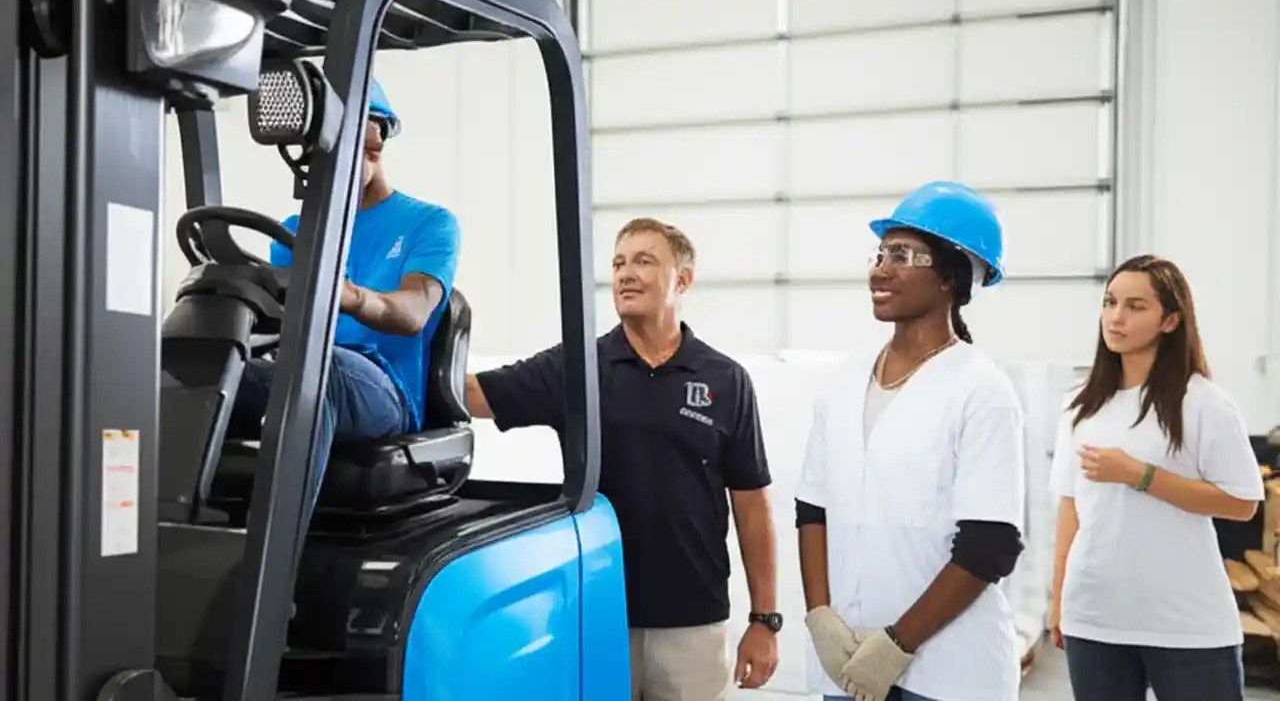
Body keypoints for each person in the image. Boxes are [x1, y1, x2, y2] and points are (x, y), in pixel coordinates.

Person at [463, 217, 781, 700]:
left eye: (644, 261)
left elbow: (752, 506)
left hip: (693, 624)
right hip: (598, 615)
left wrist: (765, 619)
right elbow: (473, 395)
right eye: (618, 263)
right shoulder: (577, 368)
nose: (626, 274)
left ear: (684, 279)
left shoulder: (725, 379)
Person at [794, 181, 1027, 701]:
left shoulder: (981, 390)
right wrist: (819, 616)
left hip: (947, 674)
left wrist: (898, 645)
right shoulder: (842, 383)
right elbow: (812, 509)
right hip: (848, 659)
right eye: (880, 253)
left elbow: (989, 545)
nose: (880, 268)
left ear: (951, 274)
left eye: (902, 255)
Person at [229, 78, 461, 512]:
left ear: (375, 140)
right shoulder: (294, 231)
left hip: (384, 390)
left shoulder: (429, 223)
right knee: (209, 367)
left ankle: (274, 562)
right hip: (303, 370)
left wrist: (348, 295)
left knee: (320, 367)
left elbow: (413, 311)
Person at [1049, 254, 1262, 701]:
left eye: (1135, 306)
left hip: (1187, 625)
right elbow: (1070, 509)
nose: (1116, 317)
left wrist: (1140, 475)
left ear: (1170, 320)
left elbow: (1242, 503)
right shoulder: (1080, 405)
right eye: (1109, 302)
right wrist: (1059, 602)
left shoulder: (1204, 403)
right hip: (1095, 617)